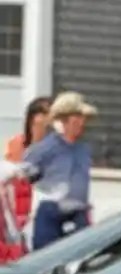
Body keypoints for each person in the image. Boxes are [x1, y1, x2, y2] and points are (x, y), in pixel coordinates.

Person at [21, 91, 96, 250]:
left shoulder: (83, 150)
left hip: (78, 213)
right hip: (51, 212)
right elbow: (23, 175)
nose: (83, 123)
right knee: (46, 260)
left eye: (84, 119)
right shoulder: (46, 148)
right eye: (78, 118)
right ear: (66, 120)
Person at [3, 96, 52, 236]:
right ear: (33, 118)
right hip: (17, 208)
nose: (49, 119)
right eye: (44, 113)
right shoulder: (17, 144)